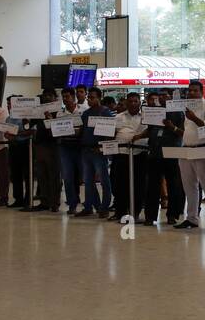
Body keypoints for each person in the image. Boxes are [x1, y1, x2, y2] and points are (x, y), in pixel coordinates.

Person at [173, 80, 205, 232]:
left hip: (204, 148)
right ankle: (191, 218)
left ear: (202, 92)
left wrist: (194, 118)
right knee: (189, 186)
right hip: (187, 149)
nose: (192, 93)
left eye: (195, 91)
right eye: (190, 90)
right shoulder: (187, 107)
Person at [142, 90, 184, 225]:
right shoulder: (153, 111)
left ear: (171, 98)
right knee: (152, 185)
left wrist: (171, 127)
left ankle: (172, 215)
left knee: (173, 185)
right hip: (154, 152)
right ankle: (150, 216)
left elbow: (182, 133)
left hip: (171, 152)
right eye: (160, 96)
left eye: (165, 95)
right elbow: (149, 130)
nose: (162, 98)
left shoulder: (178, 113)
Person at [77, 88, 113, 218]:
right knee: (88, 181)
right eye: (89, 98)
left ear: (99, 97)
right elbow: (82, 130)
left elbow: (110, 132)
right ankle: (89, 206)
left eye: (92, 97)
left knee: (104, 180)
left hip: (99, 150)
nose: (90, 100)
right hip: (86, 149)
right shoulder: (86, 113)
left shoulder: (105, 112)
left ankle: (104, 207)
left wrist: (104, 148)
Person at [112, 91, 148, 221]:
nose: (133, 103)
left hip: (140, 154)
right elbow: (110, 133)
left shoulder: (146, 117)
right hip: (122, 154)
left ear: (139, 103)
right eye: (130, 101)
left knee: (139, 185)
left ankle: (136, 212)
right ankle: (120, 212)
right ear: (126, 103)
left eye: (135, 101)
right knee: (120, 185)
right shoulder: (118, 117)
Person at [56, 88, 84, 215]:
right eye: (63, 97)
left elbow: (84, 131)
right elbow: (57, 132)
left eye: (67, 96)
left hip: (81, 148)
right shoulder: (60, 114)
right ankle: (72, 204)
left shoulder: (83, 112)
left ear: (74, 97)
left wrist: (72, 131)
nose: (65, 99)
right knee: (67, 177)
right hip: (65, 148)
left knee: (84, 177)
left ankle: (89, 204)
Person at [31, 90, 61, 212]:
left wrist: (50, 119)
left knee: (53, 176)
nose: (47, 97)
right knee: (41, 176)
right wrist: (26, 120)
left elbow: (59, 129)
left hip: (53, 146)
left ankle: (55, 202)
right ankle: (44, 201)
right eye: (45, 95)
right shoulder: (39, 111)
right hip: (40, 145)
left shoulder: (59, 112)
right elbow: (30, 125)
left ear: (54, 97)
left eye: (50, 95)